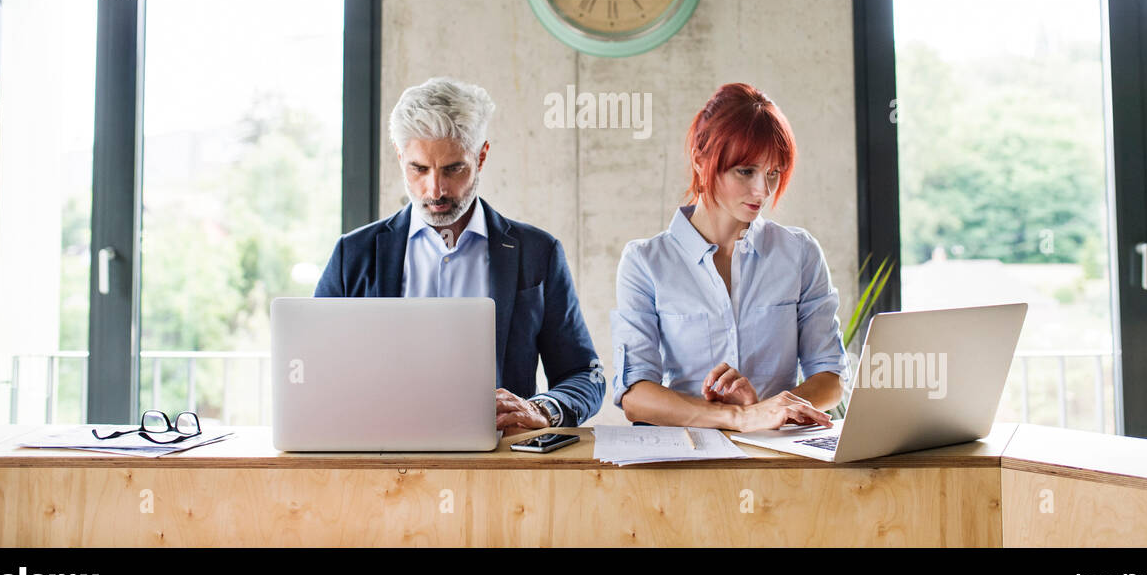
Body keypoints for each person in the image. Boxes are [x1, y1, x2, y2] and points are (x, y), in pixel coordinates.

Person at [314, 77, 604, 434]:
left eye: (454, 169)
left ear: (481, 156)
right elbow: (317, 370)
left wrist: (543, 409)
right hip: (383, 462)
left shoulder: (537, 253)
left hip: (499, 465)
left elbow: (585, 375)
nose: (435, 189)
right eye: (419, 169)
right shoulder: (353, 254)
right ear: (399, 155)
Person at [610, 82, 848, 430]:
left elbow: (831, 377)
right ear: (700, 159)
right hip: (687, 459)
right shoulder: (645, 262)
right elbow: (635, 396)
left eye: (772, 173)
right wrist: (740, 417)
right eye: (746, 171)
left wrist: (771, 412)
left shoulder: (799, 253)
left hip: (778, 457)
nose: (762, 191)